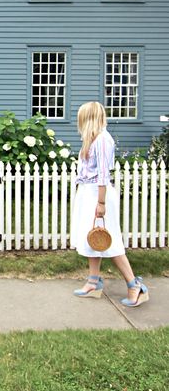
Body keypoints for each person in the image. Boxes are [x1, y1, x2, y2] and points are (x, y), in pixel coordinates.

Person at [71, 101, 149, 307]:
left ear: (88, 119)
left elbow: (103, 175)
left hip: (98, 193)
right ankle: (93, 282)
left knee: (109, 240)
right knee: (92, 239)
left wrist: (101, 202)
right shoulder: (92, 139)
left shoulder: (103, 140)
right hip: (89, 192)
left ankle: (135, 286)